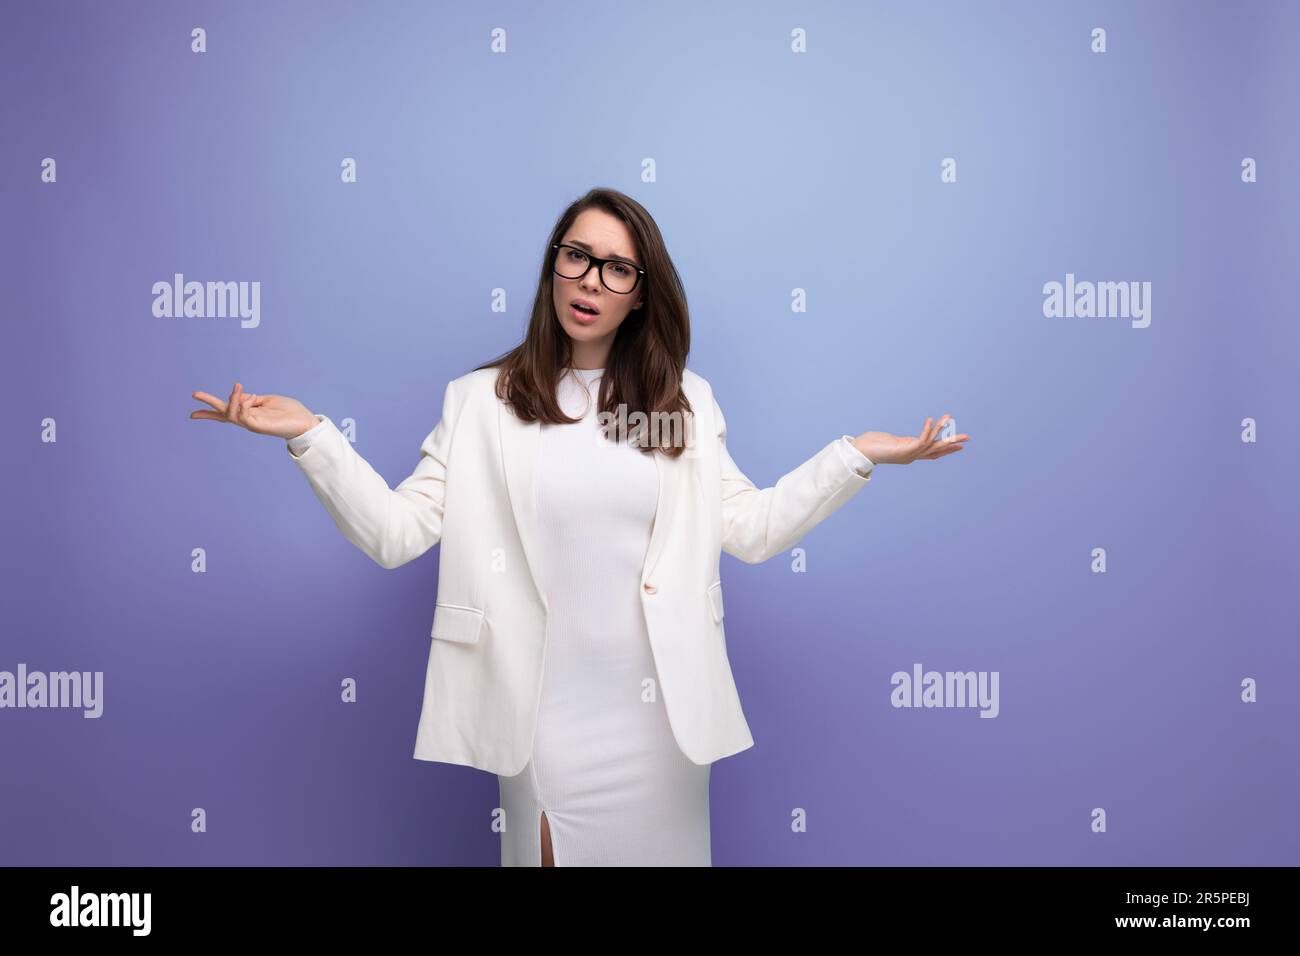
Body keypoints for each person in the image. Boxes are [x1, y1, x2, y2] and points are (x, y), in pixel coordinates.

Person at [189, 187, 970, 866]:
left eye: (616, 267)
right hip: (542, 718)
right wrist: (312, 436)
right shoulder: (483, 402)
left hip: (661, 724)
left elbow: (752, 528)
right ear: (552, 266)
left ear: (640, 291)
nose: (590, 281)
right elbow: (395, 534)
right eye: (576, 256)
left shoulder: (677, 406)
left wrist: (855, 455)